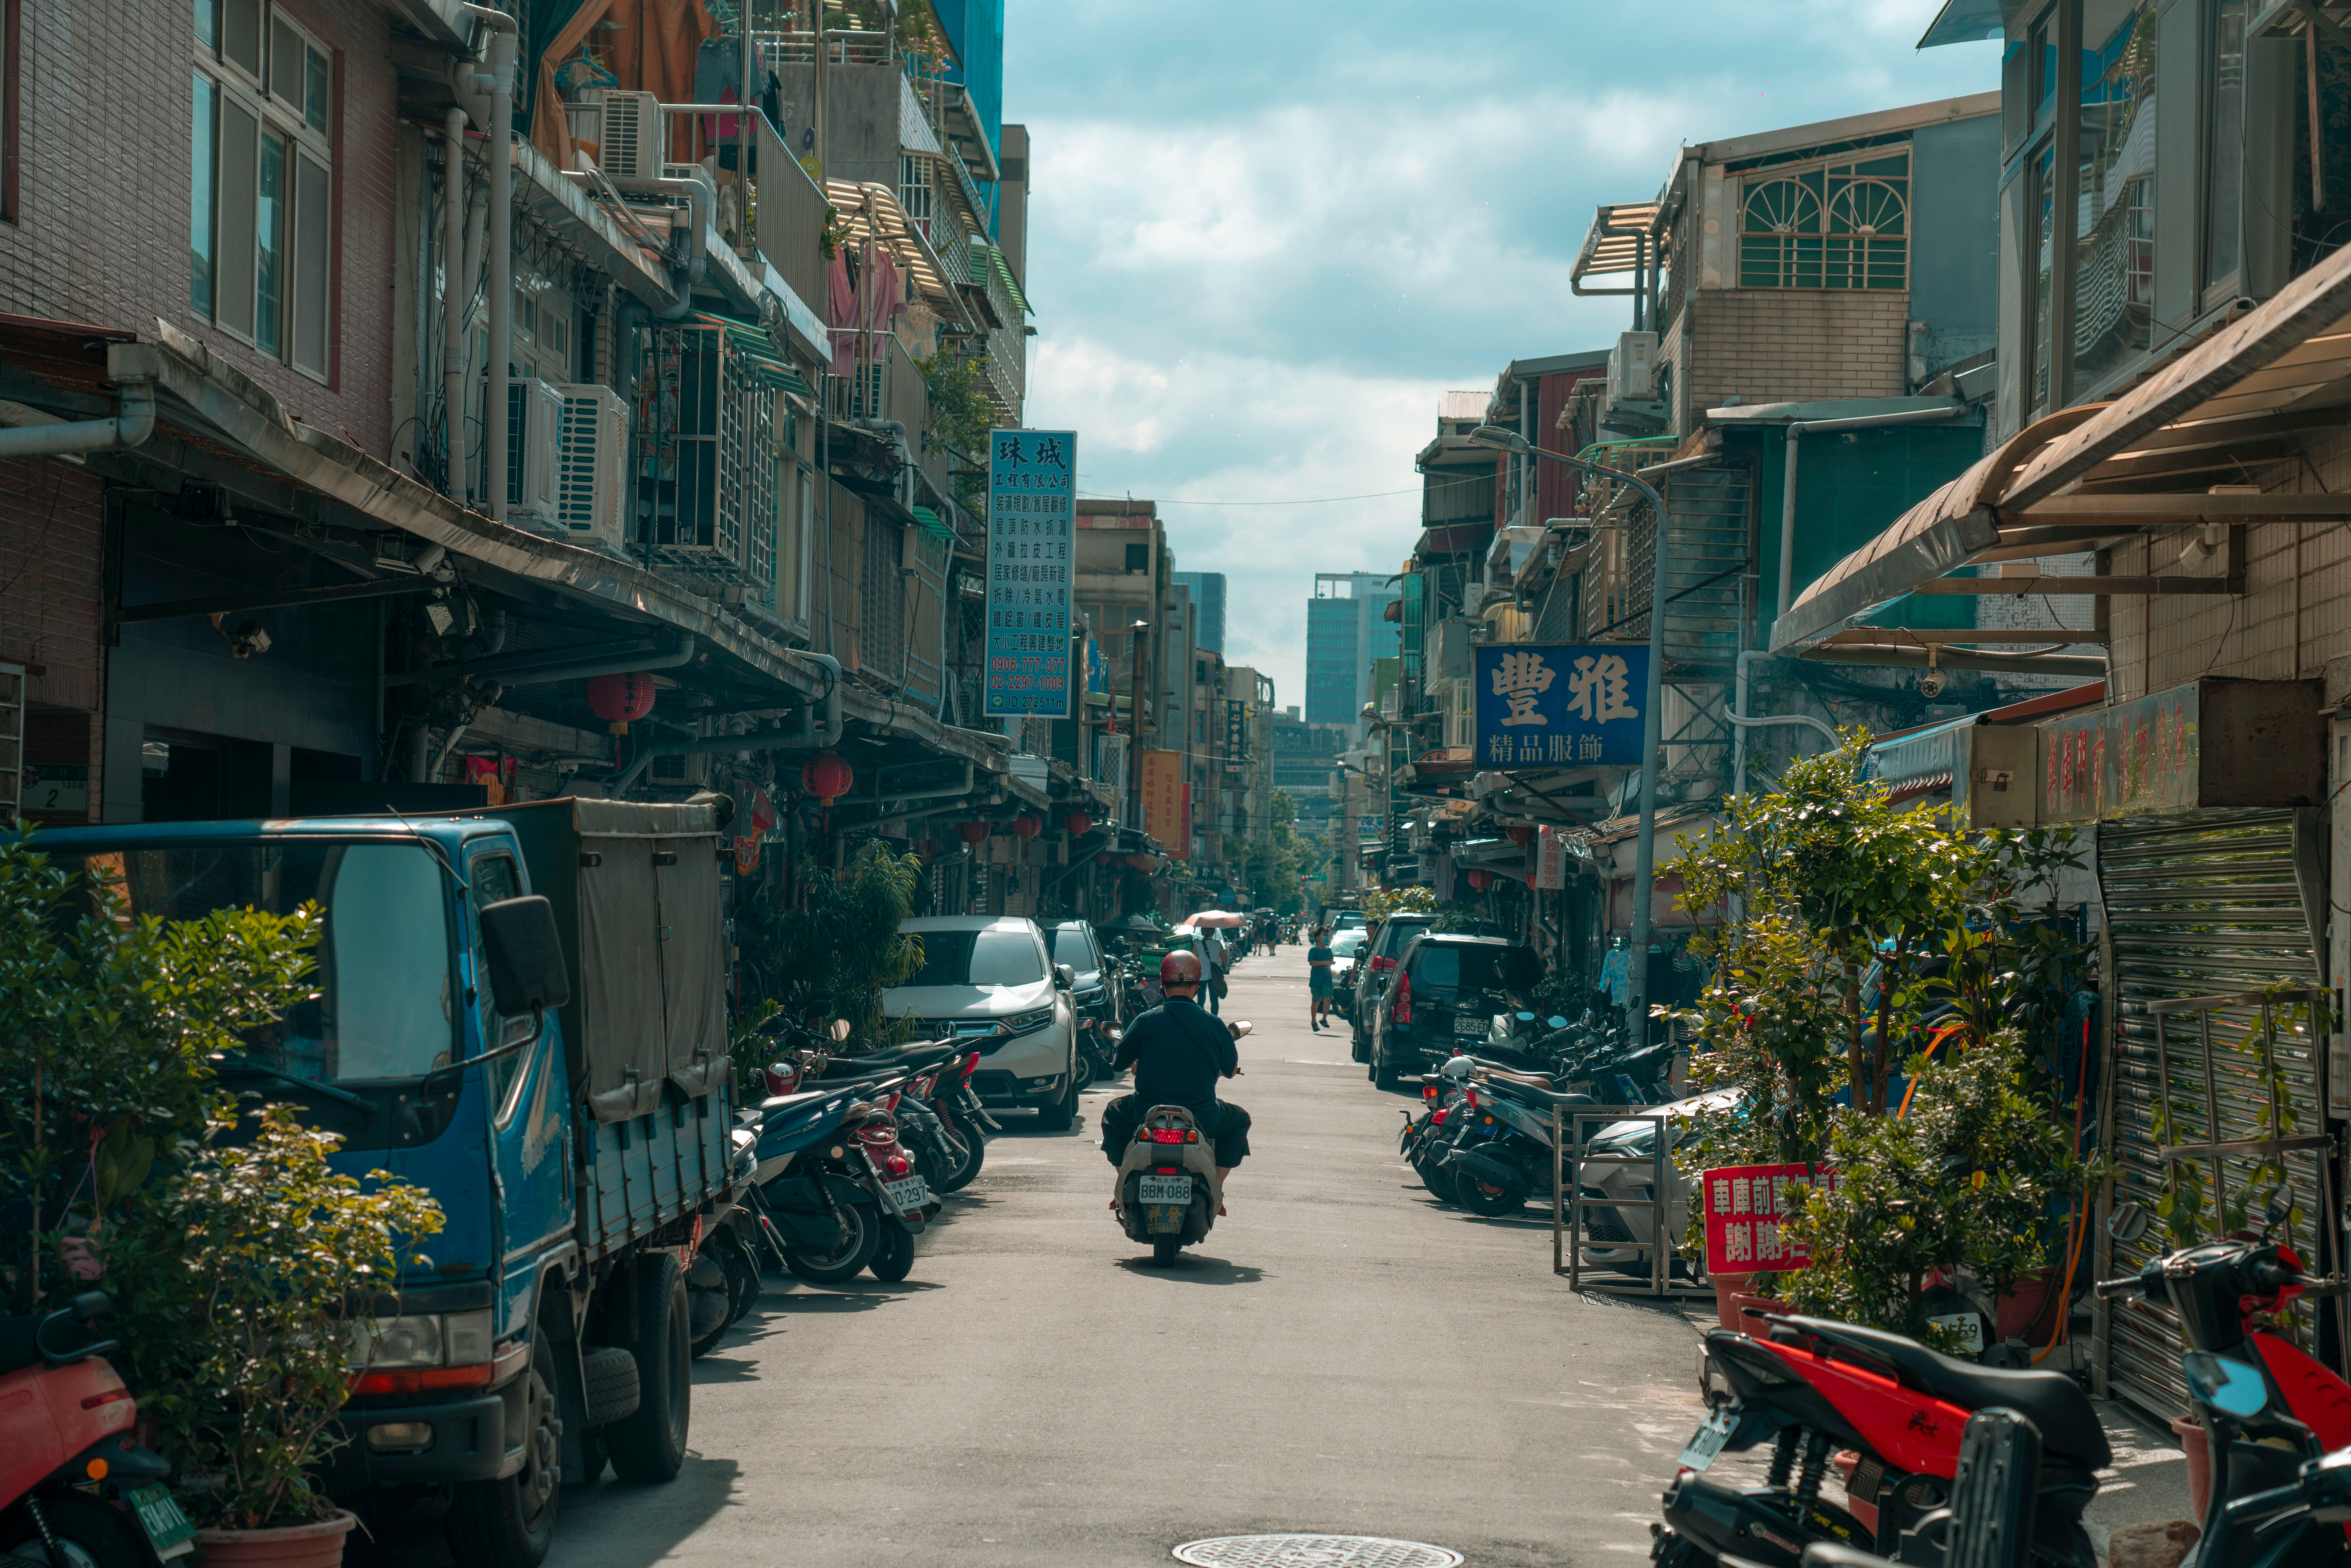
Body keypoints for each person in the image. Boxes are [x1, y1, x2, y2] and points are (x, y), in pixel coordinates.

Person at [1101, 950, 1250, 1213]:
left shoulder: (1145, 1021)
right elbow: (1229, 1070)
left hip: (1145, 1113)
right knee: (1240, 1120)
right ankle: (1217, 1188)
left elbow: (1119, 1064)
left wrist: (1138, 1061)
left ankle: (1122, 1183)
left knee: (1113, 1114)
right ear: (1196, 986)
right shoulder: (1214, 1025)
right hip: (1203, 1115)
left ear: (1162, 984)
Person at [1306, 926, 1335, 1031]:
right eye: (1324, 936)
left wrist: (1332, 963)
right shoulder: (1314, 950)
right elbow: (1312, 963)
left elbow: (1331, 960)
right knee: (1316, 1000)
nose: (1326, 938)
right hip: (1316, 979)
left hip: (1327, 978)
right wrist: (1324, 963)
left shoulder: (1329, 950)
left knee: (1328, 998)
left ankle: (1324, 1019)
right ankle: (1314, 1021)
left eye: (1327, 936)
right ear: (1318, 938)